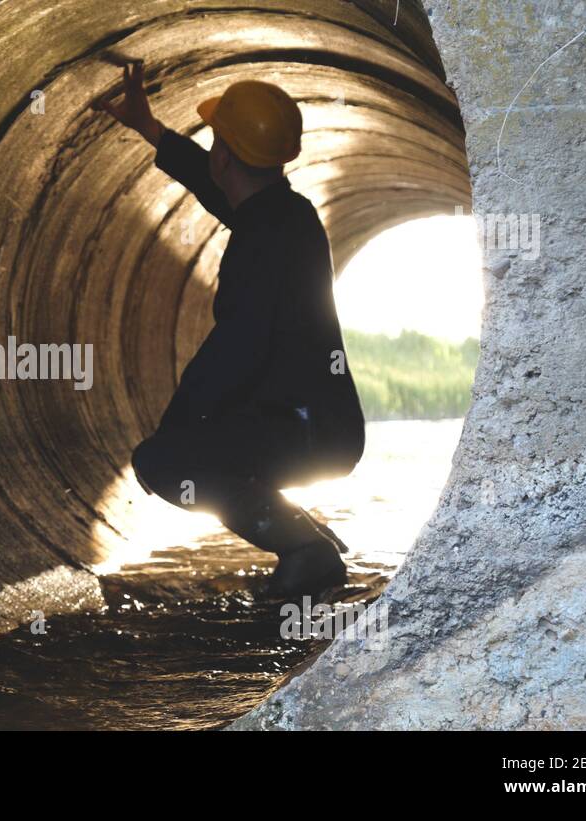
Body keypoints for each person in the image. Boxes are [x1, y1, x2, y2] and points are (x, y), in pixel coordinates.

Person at [95, 63, 365, 596]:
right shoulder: (285, 214)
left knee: (165, 461)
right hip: (319, 427)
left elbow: (238, 347)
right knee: (189, 450)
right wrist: (149, 128)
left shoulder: (262, 237)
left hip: (302, 431)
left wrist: (177, 431)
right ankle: (309, 542)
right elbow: (224, 188)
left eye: (216, 141)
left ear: (224, 152)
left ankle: (304, 549)